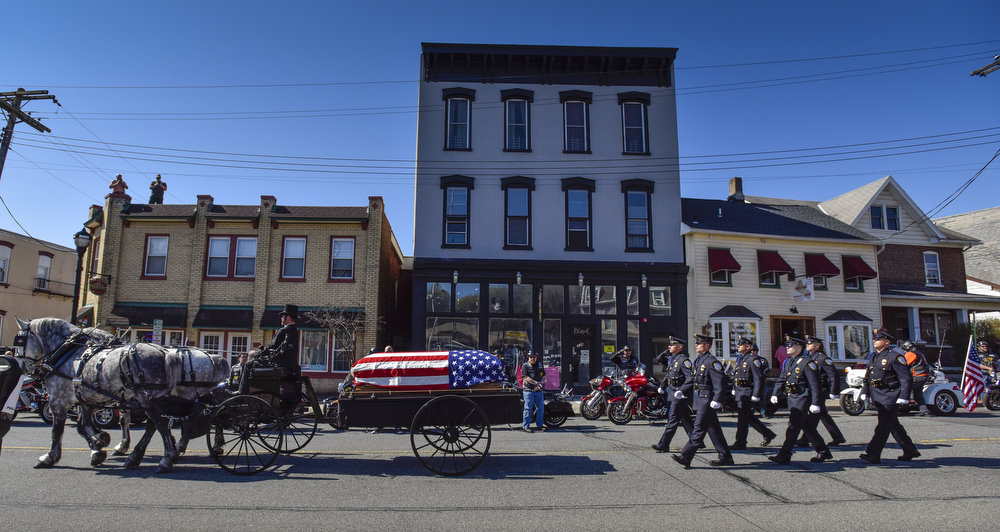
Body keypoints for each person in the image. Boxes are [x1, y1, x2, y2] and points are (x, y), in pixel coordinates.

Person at [768, 334, 832, 465]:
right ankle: (823, 451)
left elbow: (815, 385)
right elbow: (782, 379)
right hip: (792, 397)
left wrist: (815, 403)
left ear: (798, 348)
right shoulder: (789, 362)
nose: (787, 348)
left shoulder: (807, 363)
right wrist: (775, 394)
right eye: (787, 346)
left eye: (790, 346)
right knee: (807, 426)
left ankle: (785, 454)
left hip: (803, 397)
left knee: (793, 426)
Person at [672, 334, 734, 468]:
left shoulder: (712, 362)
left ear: (706, 346)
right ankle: (726, 456)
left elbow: (720, 382)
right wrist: (682, 390)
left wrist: (717, 399)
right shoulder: (699, 360)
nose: (696, 345)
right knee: (714, 429)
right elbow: (692, 379)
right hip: (700, 398)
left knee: (698, 428)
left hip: (707, 400)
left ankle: (686, 456)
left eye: (699, 343)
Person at [859, 329, 919, 464]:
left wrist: (904, 396)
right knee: (893, 424)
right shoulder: (873, 357)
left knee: (883, 425)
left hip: (891, 395)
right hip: (878, 395)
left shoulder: (895, 357)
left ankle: (873, 454)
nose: (875, 341)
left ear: (887, 342)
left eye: (878, 339)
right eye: (874, 339)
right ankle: (910, 450)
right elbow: (868, 377)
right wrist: (865, 392)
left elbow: (905, 378)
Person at [795, 335, 846, 447]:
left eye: (810, 343)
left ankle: (806, 438)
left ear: (817, 345)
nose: (807, 345)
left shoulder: (823, 358)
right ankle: (837, 436)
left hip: (821, 389)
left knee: (814, 415)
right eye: (807, 343)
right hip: (813, 388)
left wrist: (834, 391)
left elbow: (833, 376)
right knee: (822, 414)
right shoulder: (809, 357)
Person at [731, 337, 777, 450]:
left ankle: (740, 442)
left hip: (748, 391)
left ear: (748, 347)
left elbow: (758, 378)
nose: (738, 346)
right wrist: (734, 387)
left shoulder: (753, 360)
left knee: (743, 418)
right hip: (740, 391)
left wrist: (756, 394)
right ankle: (768, 434)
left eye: (741, 344)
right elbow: (737, 375)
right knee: (748, 417)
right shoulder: (740, 359)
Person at [652, 336, 697, 452]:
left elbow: (690, 377)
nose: (669, 347)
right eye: (669, 345)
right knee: (685, 417)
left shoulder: (684, 360)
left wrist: (682, 391)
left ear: (679, 347)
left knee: (672, 419)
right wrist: (662, 386)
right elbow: (669, 375)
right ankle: (697, 441)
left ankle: (664, 444)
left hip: (679, 394)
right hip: (672, 392)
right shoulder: (672, 360)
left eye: (672, 345)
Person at [901, 340, 932, 416]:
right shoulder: (919, 353)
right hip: (924, 376)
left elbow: (902, 364)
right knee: (918, 394)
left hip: (917, 376)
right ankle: (925, 411)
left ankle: (903, 407)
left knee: (903, 389)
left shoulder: (910, 354)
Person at [520, 352, 545, 433]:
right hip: (529, 390)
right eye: (530, 357)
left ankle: (540, 425)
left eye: (534, 357)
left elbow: (544, 376)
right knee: (528, 408)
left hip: (539, 391)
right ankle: (525, 426)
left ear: (536, 357)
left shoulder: (540, 365)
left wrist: (541, 383)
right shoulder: (525, 365)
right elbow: (526, 377)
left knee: (540, 408)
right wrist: (536, 383)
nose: (532, 358)